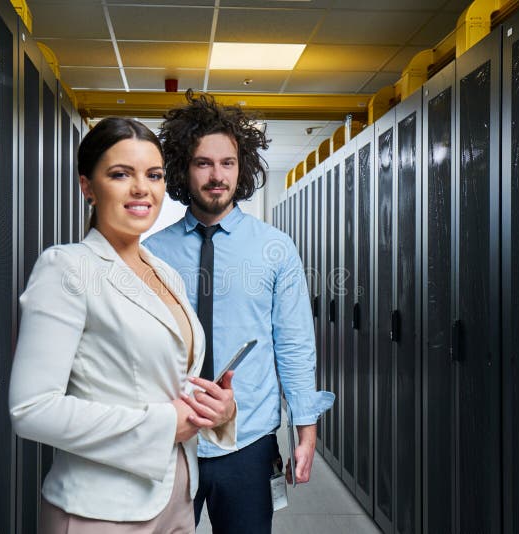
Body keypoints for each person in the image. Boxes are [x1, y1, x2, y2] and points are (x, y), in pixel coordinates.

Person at [9, 117, 237, 534]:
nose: (141, 189)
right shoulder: (67, 268)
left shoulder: (165, 273)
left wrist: (218, 410)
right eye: (120, 174)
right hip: (102, 510)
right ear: (88, 187)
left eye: (153, 175)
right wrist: (164, 425)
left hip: (177, 498)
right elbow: (31, 409)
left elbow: (165, 382)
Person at [144, 91, 334, 533]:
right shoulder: (151, 254)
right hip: (170, 441)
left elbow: (294, 345)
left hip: (248, 442)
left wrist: (305, 432)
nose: (217, 176)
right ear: (183, 168)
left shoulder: (275, 249)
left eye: (227, 163)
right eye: (203, 163)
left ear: (241, 168)